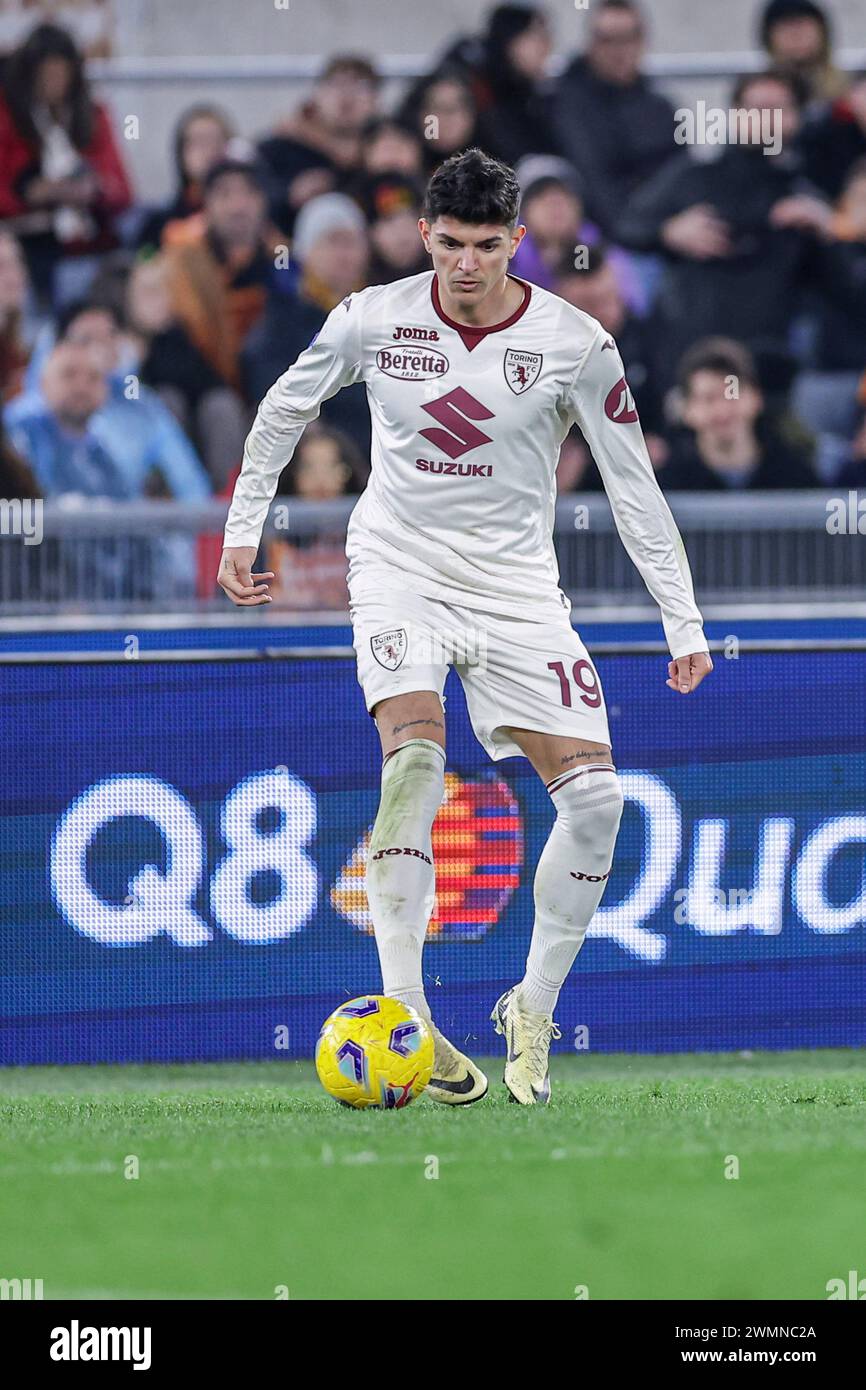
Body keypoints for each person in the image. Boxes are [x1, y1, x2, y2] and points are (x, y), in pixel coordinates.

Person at [217, 148, 712, 1107]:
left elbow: (632, 485)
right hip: (398, 565)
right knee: (413, 764)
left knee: (599, 802)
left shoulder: (575, 343)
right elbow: (283, 408)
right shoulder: (373, 317)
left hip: (520, 589)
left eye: (489, 246)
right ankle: (410, 1018)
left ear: (519, 242)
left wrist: (681, 621)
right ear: (424, 237)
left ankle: (532, 1005)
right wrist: (245, 529)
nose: (469, 264)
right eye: (451, 244)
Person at [0, 22, 132, 306]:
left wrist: (94, 190)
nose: (55, 84)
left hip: (92, 246)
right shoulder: (7, 118)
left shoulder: (94, 116)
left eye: (62, 75)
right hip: (27, 250)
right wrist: (37, 194)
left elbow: (123, 190)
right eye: (46, 76)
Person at [552, 0, 685, 236]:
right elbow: (598, 192)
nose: (618, 50)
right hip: (600, 243)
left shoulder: (661, 107)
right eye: (607, 40)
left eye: (628, 38)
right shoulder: (567, 106)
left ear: (643, 42)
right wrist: (661, 232)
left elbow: (683, 176)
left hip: (665, 233)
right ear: (590, 44)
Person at [661, 338, 817, 490]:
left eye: (732, 395)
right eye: (709, 399)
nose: (723, 411)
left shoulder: (798, 479)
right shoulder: (663, 488)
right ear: (687, 410)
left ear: (756, 398)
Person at [257, 55, 381, 236]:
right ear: (317, 96)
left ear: (376, 101)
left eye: (360, 86)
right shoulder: (279, 148)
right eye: (336, 84)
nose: (347, 95)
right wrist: (290, 197)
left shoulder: (390, 145)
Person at [135, 105, 235, 253]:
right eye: (198, 141)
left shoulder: (249, 214)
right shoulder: (159, 221)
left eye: (215, 140)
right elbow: (144, 265)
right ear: (181, 152)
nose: (208, 150)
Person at [759, 0, 848, 106]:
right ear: (769, 39)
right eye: (786, 27)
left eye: (804, 25)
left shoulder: (849, 92)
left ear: (823, 33)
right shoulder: (757, 96)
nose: (796, 35)